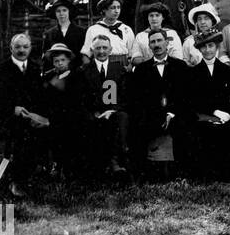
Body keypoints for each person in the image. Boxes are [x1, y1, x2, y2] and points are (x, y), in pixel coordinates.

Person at [0, 34, 47, 197]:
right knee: (22, 136)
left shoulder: (35, 69)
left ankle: (38, 172)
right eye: (17, 47)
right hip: (6, 118)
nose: (21, 50)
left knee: (46, 130)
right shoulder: (0, 70)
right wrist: (12, 108)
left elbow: (40, 97)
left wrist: (37, 115)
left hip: (30, 117)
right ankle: (17, 181)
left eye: (25, 47)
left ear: (31, 48)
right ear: (11, 48)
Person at [130, 27, 192, 179]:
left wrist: (171, 113)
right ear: (149, 46)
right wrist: (158, 115)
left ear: (167, 43)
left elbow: (184, 95)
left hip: (175, 112)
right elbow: (139, 99)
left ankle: (183, 173)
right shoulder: (141, 70)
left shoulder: (180, 66)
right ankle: (143, 174)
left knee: (186, 125)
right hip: (152, 114)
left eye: (159, 41)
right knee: (137, 127)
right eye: (153, 42)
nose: (156, 45)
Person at [80, 34, 132, 178]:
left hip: (114, 111)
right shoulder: (84, 71)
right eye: (98, 48)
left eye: (104, 48)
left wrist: (113, 109)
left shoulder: (119, 69)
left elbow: (125, 95)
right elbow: (81, 99)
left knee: (122, 118)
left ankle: (117, 163)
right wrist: (93, 113)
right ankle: (98, 167)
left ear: (110, 50)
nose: (101, 51)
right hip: (93, 113)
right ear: (92, 50)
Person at [188, 29, 230, 178]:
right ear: (199, 49)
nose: (207, 50)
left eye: (210, 46)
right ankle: (206, 172)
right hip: (204, 114)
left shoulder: (228, 71)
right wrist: (215, 112)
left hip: (226, 114)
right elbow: (194, 100)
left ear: (216, 47)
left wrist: (226, 114)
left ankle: (226, 172)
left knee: (228, 129)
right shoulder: (193, 73)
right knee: (204, 129)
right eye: (203, 47)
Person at [38, 43, 85, 180]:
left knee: (67, 132)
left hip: (71, 114)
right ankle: (53, 164)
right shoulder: (48, 76)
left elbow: (76, 99)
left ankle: (67, 166)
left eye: (62, 60)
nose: (59, 63)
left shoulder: (76, 76)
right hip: (51, 114)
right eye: (56, 61)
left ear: (69, 60)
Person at [81, 0, 133, 69]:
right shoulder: (93, 30)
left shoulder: (126, 29)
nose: (116, 11)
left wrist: (130, 66)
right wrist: (92, 70)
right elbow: (86, 54)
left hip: (123, 66)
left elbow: (132, 53)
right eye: (113, 8)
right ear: (104, 10)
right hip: (101, 65)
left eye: (118, 7)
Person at [41, 0, 86, 71]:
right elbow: (46, 58)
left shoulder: (82, 32)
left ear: (69, 12)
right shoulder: (49, 34)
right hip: (56, 77)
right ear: (55, 13)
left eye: (64, 10)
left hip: (77, 73)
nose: (61, 14)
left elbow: (84, 56)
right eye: (58, 11)